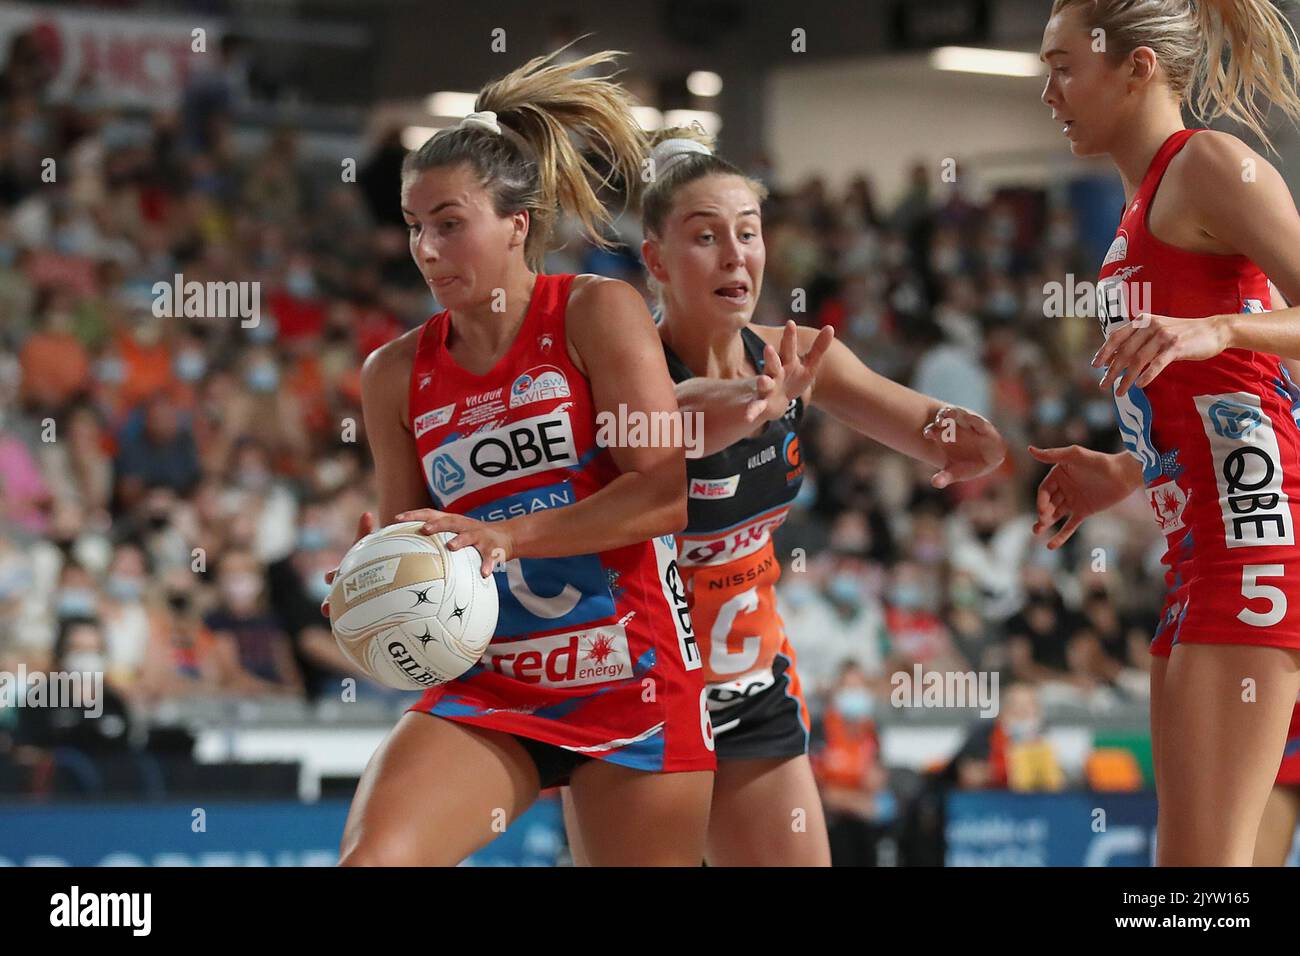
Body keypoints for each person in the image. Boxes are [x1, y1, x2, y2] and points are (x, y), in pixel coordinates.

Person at [564, 125, 1007, 866]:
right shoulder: (617, 372)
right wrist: (755, 405)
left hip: (749, 688)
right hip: (636, 691)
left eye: (749, 232)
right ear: (656, 261)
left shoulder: (792, 356)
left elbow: (927, 425)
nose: (737, 255)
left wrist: (974, 440)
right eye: (706, 237)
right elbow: (679, 414)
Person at [328, 47, 715, 867]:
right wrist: (375, 579)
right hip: (489, 681)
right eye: (414, 228)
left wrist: (510, 537)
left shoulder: (596, 312)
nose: (427, 249)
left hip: (630, 670)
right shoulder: (393, 371)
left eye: (449, 223)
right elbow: (410, 530)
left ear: (516, 224)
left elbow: (664, 494)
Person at [1034, 0, 1300, 864]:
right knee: (1195, 869)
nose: (1048, 92)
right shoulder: (1138, 204)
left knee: (1201, 883)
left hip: (1257, 540)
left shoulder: (1209, 164)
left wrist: (1222, 329)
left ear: (1137, 66)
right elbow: (1220, 400)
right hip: (1202, 547)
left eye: (1064, 66)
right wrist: (1125, 469)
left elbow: (1234, 351)